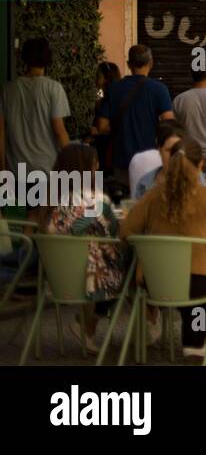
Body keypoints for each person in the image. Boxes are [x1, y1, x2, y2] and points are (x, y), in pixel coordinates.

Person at [121, 137, 206, 357]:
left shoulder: (153, 196)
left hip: (157, 280)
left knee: (188, 279)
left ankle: (194, 342)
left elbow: (126, 230)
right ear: (201, 165)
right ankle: (194, 344)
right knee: (200, 283)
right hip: (202, 281)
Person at [36, 143, 128, 351]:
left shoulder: (49, 201)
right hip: (90, 282)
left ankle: (87, 327)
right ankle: (90, 325)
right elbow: (115, 235)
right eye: (95, 164)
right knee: (130, 266)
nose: (98, 168)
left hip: (58, 279)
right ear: (87, 169)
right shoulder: (96, 202)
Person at [95, 44, 174, 186]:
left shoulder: (114, 88)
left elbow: (102, 126)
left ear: (129, 64)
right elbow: (169, 124)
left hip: (122, 162)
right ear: (151, 63)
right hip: (152, 163)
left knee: (124, 206)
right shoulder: (159, 90)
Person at [0, 38, 71, 177]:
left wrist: (2, 170)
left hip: (16, 171)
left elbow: (1, 132)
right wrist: (73, 164)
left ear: (24, 58)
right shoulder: (53, 88)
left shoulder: (7, 90)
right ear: (47, 58)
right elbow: (59, 131)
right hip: (47, 171)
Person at [131, 120, 184, 199]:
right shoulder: (145, 183)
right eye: (169, 150)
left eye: (177, 150)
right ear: (159, 149)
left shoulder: (196, 179)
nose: (173, 156)